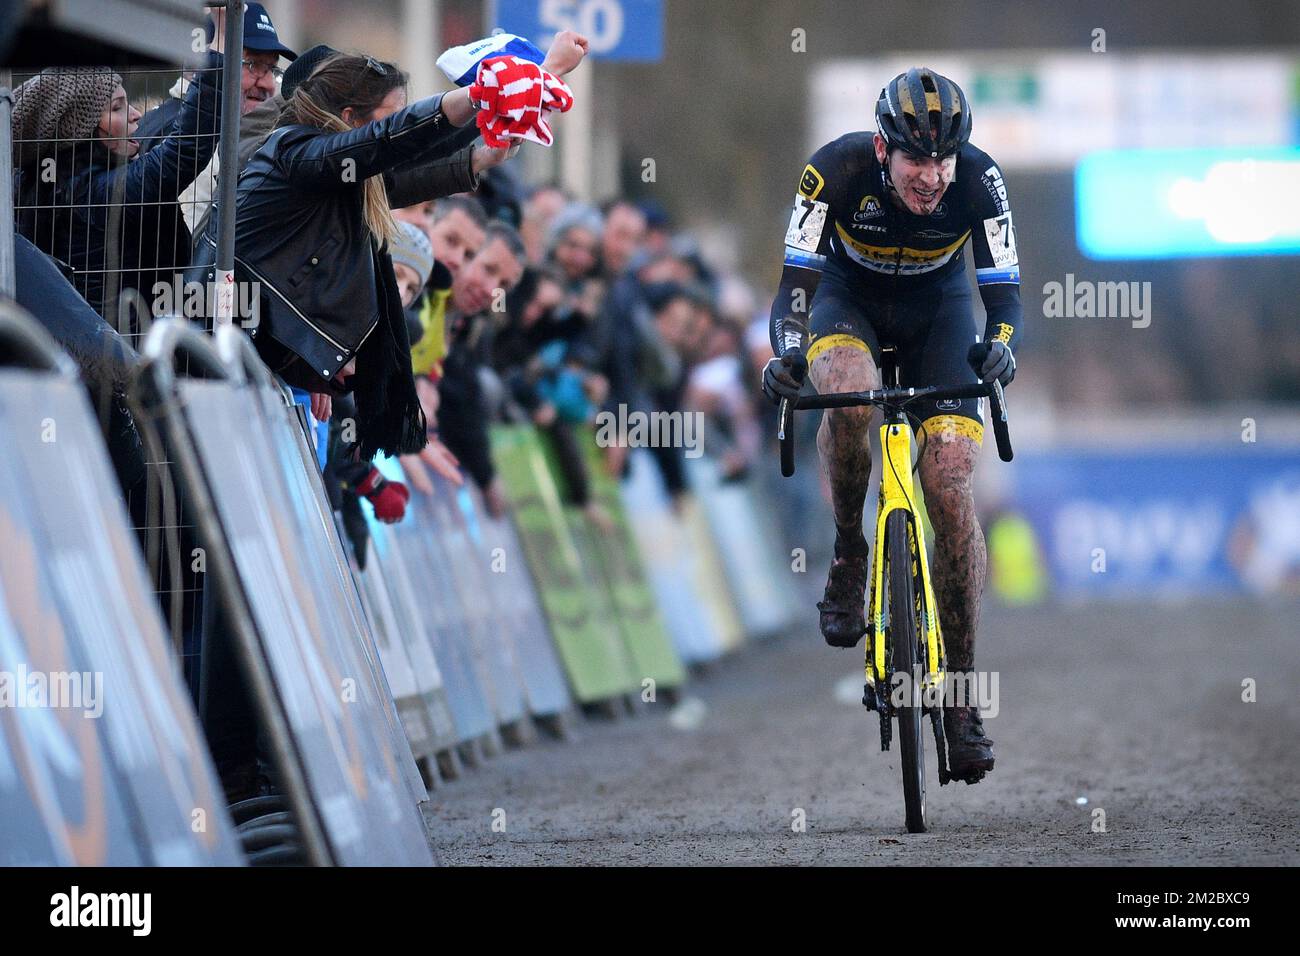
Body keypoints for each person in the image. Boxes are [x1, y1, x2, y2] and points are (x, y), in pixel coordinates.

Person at [761, 68, 1023, 783]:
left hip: (940, 317)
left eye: (942, 160)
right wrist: (787, 352)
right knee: (847, 395)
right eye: (916, 160)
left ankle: (963, 695)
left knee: (949, 486)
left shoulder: (981, 180)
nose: (932, 177)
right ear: (882, 149)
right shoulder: (833, 171)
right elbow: (793, 285)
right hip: (848, 305)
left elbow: (1004, 297)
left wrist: (1000, 347)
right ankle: (851, 553)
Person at [187, 34, 588, 460]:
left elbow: (410, 166)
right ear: (349, 120)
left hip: (253, 365)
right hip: (213, 368)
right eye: (386, 119)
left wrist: (485, 153)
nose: (394, 132)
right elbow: (396, 140)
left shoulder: (339, 174)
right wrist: (483, 92)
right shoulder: (294, 152)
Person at [11, 51, 224, 323]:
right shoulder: (89, 192)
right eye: (117, 108)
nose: (136, 115)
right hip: (121, 355)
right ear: (80, 130)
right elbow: (179, 156)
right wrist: (214, 65)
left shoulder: (48, 183)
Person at [134, 3, 298, 243]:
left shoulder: (157, 120)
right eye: (253, 64)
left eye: (272, 68)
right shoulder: (197, 138)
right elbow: (190, 251)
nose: (269, 84)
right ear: (206, 61)